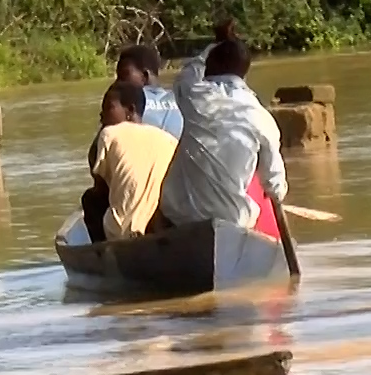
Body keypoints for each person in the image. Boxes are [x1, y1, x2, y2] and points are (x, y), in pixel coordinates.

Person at [158, 35, 287, 232]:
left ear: (210, 66)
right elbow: (275, 185)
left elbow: (188, 72)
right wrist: (277, 193)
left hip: (181, 217)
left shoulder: (195, 95)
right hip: (233, 218)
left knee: (162, 210)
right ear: (244, 72)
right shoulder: (261, 116)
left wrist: (213, 45)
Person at [82, 82, 178, 241]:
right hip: (163, 225)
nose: (101, 115)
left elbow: (100, 187)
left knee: (90, 199)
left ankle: (103, 252)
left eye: (108, 108)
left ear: (130, 110)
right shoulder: (168, 138)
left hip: (124, 231)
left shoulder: (109, 134)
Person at [113, 45, 184, 138]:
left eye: (123, 76)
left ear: (145, 76)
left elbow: (104, 139)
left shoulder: (125, 101)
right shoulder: (179, 98)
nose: (118, 82)